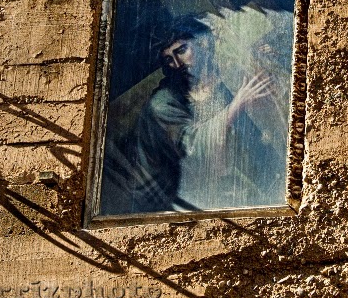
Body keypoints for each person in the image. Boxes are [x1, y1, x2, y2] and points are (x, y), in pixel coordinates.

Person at [100, 15, 277, 215]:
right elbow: (192, 149)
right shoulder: (162, 103)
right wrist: (238, 105)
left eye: (182, 51)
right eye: (168, 59)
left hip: (240, 179)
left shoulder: (223, 77)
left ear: (202, 43)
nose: (177, 63)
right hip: (176, 201)